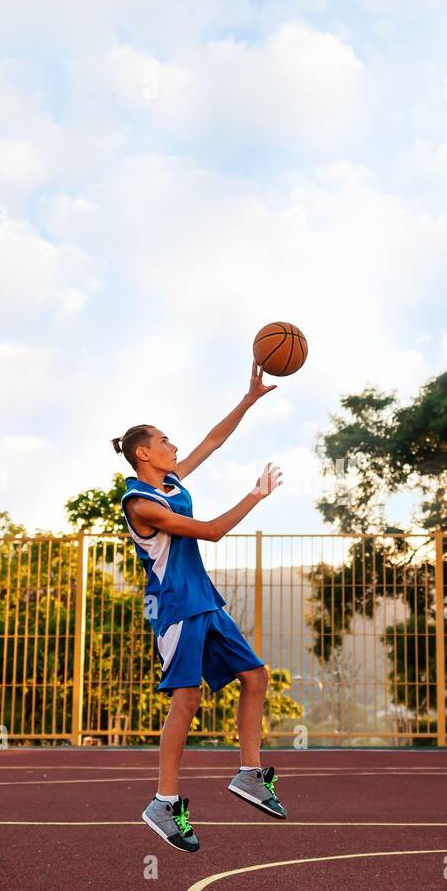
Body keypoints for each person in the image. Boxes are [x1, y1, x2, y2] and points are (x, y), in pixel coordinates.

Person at [113, 360, 285, 853]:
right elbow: (210, 531)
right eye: (165, 441)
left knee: (255, 677)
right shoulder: (141, 504)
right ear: (143, 453)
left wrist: (248, 399)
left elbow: (212, 441)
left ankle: (250, 774)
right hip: (176, 610)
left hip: (205, 601)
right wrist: (255, 495)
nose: (175, 446)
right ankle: (164, 802)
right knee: (187, 700)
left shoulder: (170, 483)